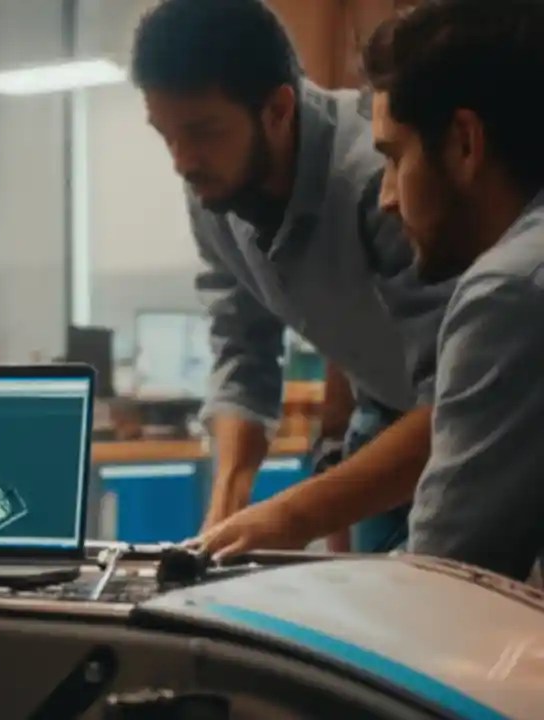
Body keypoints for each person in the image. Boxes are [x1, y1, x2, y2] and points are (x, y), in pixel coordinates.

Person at [129, 0, 450, 558]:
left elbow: (461, 396)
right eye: (166, 135)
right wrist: (226, 505)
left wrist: (291, 515)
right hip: (385, 406)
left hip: (465, 415)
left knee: (440, 607)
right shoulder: (211, 187)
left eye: (202, 131)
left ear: (278, 108)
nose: (181, 160)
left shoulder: (379, 179)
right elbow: (241, 349)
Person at [364, 0, 544, 580]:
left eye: (395, 158)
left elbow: (441, 582)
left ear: (464, 144)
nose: (386, 197)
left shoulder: (510, 292)